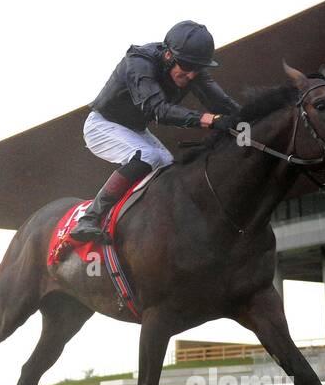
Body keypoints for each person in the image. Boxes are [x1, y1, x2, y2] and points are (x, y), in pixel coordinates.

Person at [69, 21, 241, 245]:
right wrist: (207, 120)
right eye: (187, 67)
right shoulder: (139, 62)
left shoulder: (191, 70)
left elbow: (223, 103)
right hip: (101, 125)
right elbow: (157, 110)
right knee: (148, 157)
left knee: (169, 167)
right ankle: (89, 218)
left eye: (197, 68)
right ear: (169, 55)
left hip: (135, 130)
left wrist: (255, 115)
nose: (191, 75)